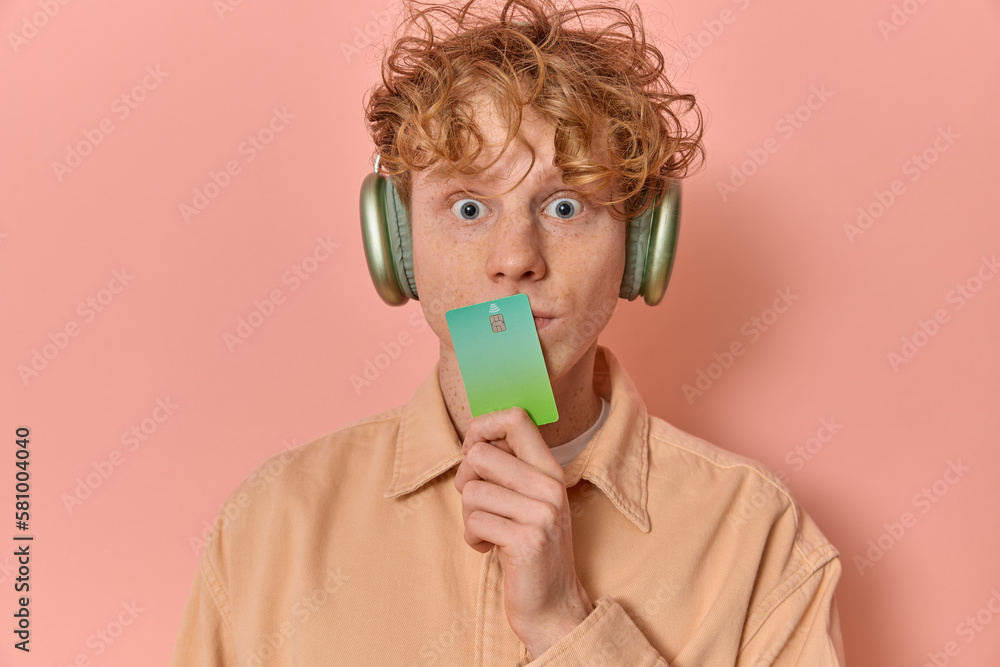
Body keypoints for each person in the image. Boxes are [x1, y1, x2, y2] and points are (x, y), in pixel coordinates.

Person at [170, 0, 847, 664]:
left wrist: (566, 626)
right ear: (399, 243)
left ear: (638, 245)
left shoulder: (759, 538)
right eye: (469, 206)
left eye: (565, 204)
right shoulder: (269, 527)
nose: (516, 255)